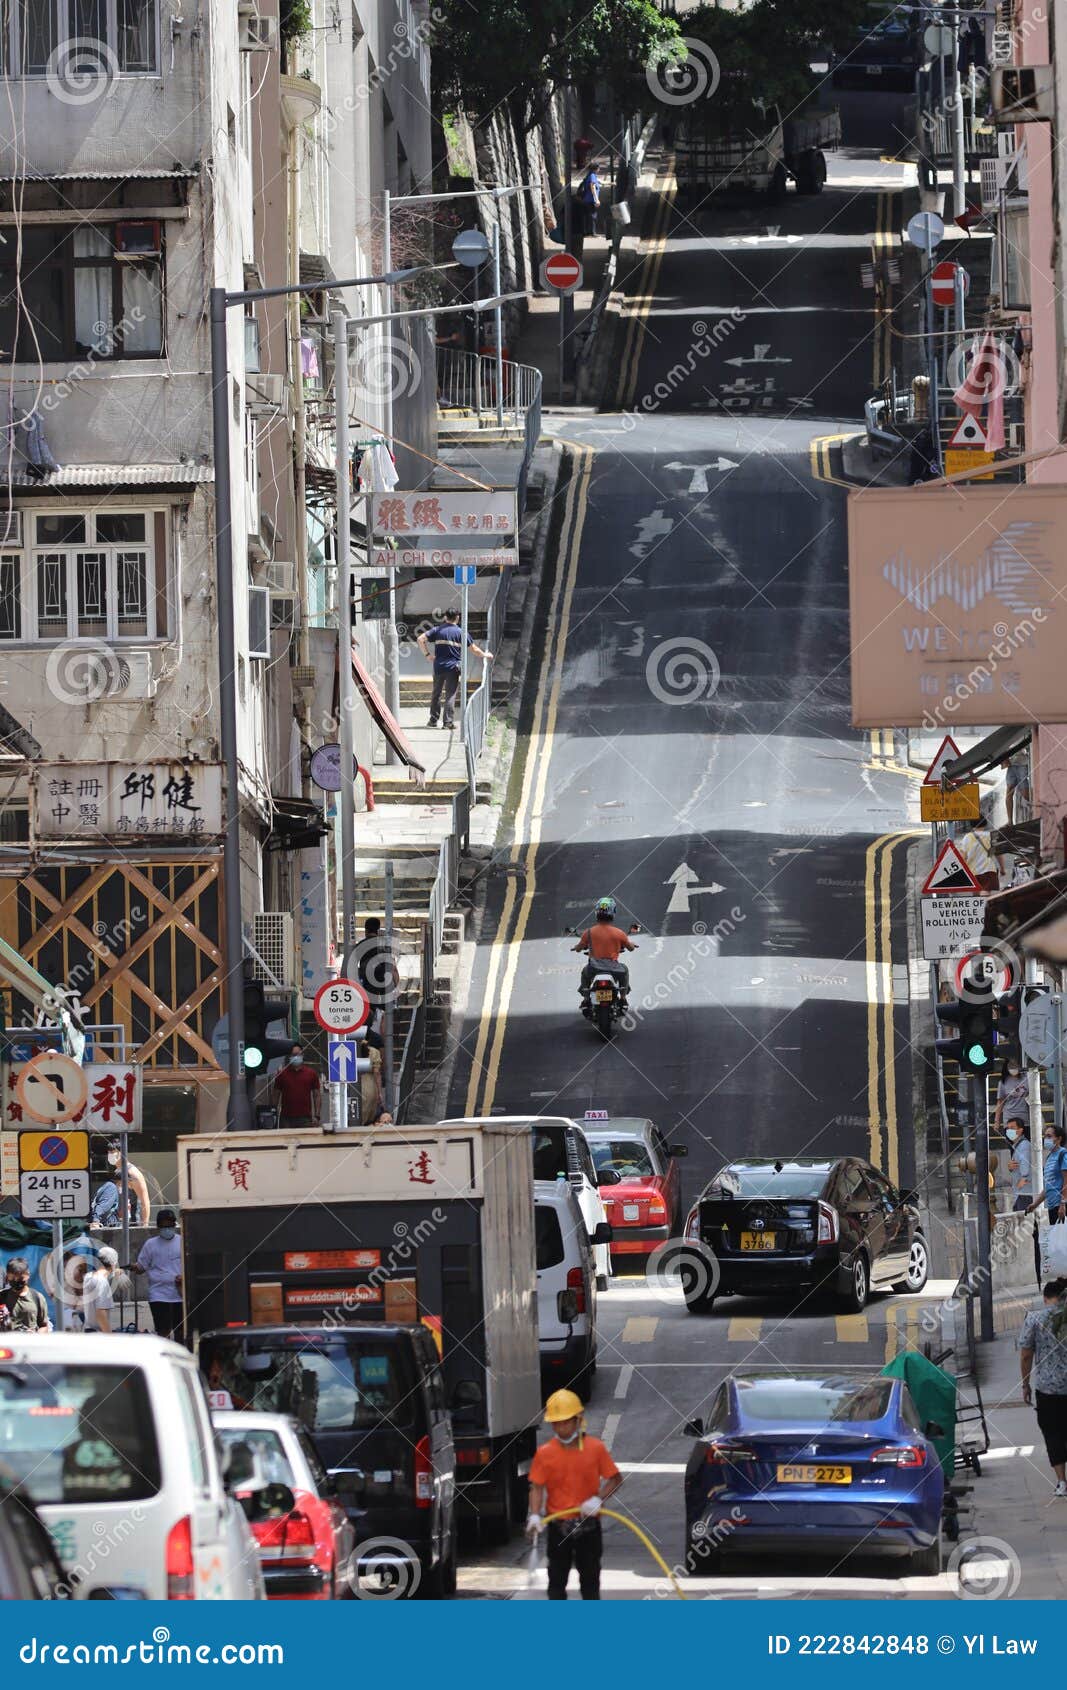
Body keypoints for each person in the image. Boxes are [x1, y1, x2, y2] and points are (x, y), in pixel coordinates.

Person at [526, 1390, 622, 1600]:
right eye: (556, 1423)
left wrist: (599, 1499)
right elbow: (537, 1487)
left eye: (566, 1422)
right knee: (556, 1586)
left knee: (590, 1585)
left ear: (578, 1420)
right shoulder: (545, 1453)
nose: (561, 1428)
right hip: (558, 1528)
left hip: (588, 1527)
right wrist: (534, 1514)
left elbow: (615, 1479)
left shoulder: (595, 1448)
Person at [1020, 1279, 1067, 1497]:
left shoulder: (1035, 1318)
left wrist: (1025, 1385)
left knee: (1053, 1433)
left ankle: (1062, 1482)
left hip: (1048, 1388)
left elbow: (1026, 1354)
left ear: (1045, 1297)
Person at [417, 612, 493, 731]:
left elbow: (420, 639)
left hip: (438, 667)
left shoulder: (437, 630)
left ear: (445, 618)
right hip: (453, 668)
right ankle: (447, 723)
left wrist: (427, 655)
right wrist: (485, 655)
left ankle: (433, 720)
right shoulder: (461, 632)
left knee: (436, 693)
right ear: (457, 618)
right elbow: (474, 649)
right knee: (450, 695)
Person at [572, 897, 638, 1004]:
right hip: (614, 968)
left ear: (597, 913)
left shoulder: (588, 933)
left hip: (594, 968)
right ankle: (623, 998)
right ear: (613, 913)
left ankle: (586, 998)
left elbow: (579, 948)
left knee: (585, 972)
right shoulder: (619, 933)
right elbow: (630, 948)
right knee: (625, 970)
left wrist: (576, 947)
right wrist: (632, 945)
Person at [131, 1210, 183, 1342]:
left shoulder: (182, 1241)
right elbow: (141, 1267)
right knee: (163, 1331)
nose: (167, 1229)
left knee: (181, 1331)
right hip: (158, 1295)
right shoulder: (150, 1244)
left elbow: (190, 1264)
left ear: (174, 1224)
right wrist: (134, 1267)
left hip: (180, 1295)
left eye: (169, 1225)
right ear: (158, 1227)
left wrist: (183, 1277)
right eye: (163, 1226)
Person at [353, 916, 398, 1051]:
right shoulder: (385, 946)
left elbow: (353, 969)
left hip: (366, 989)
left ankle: (369, 1051)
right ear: (378, 930)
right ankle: (384, 1050)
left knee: (368, 1019)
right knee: (384, 1017)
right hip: (384, 988)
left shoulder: (360, 946)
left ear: (365, 930)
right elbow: (393, 969)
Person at [272, 1044, 322, 1129]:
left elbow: (316, 1095)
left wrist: (317, 1116)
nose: (295, 1057)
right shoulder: (282, 1074)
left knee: (305, 1141)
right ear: (289, 1056)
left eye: (298, 1054)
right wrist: (273, 1114)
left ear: (302, 1055)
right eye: (293, 1055)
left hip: (305, 1119)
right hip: (286, 1118)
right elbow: (275, 1095)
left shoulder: (311, 1073)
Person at [1027, 1123, 1067, 1225]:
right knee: (1056, 1239)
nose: (1046, 1139)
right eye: (1045, 1136)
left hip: (1061, 1206)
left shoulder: (1063, 1154)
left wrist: (1063, 1204)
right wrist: (1035, 1204)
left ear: (1058, 1139)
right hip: (1052, 1206)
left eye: (1049, 1136)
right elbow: (1048, 1187)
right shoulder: (1049, 1157)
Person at [1, 1257, 49, 1332]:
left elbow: (43, 1326)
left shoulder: (37, 1298)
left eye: (20, 1278)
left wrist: (36, 1337)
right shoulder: (2, 1297)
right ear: (7, 1277)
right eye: (13, 1279)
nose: (16, 1281)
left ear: (28, 1275)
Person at [80, 1246, 119, 1334]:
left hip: (87, 1331)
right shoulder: (102, 1282)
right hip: (98, 1335)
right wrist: (110, 1337)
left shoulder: (89, 1277)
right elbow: (100, 1314)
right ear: (113, 1264)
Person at [993, 1056, 1029, 1135]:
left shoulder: (1027, 1079)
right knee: (1013, 1145)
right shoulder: (1003, 1082)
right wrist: (997, 1121)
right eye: (1011, 1065)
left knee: (1025, 1145)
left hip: (1025, 1120)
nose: (1013, 1068)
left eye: (1015, 1065)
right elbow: (1000, 1102)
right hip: (1010, 1120)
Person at [1004, 1121, 1033, 1213]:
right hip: (1021, 1193)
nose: (1009, 1131)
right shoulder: (1017, 1146)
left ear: (1020, 1130)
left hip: (1025, 1193)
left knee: (1024, 1222)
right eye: (1007, 1128)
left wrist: (1024, 1178)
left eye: (1012, 1128)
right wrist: (1010, 1168)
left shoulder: (1024, 1145)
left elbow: (1025, 1165)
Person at [1003, 748, 1031, 825]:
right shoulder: (1007, 736)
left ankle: (1037, 809)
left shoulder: (1020, 736)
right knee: (1009, 792)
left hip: (1023, 764)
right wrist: (1005, 759)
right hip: (1011, 764)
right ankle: (1010, 821)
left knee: (1026, 794)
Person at [577, 165, 601, 238]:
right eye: (599, 168)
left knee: (587, 216)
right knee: (592, 216)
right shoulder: (592, 176)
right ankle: (592, 232)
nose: (599, 170)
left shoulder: (590, 175)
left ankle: (586, 232)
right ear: (596, 169)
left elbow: (599, 182)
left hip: (587, 199)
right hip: (590, 199)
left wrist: (610, 183)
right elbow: (592, 187)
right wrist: (596, 199)